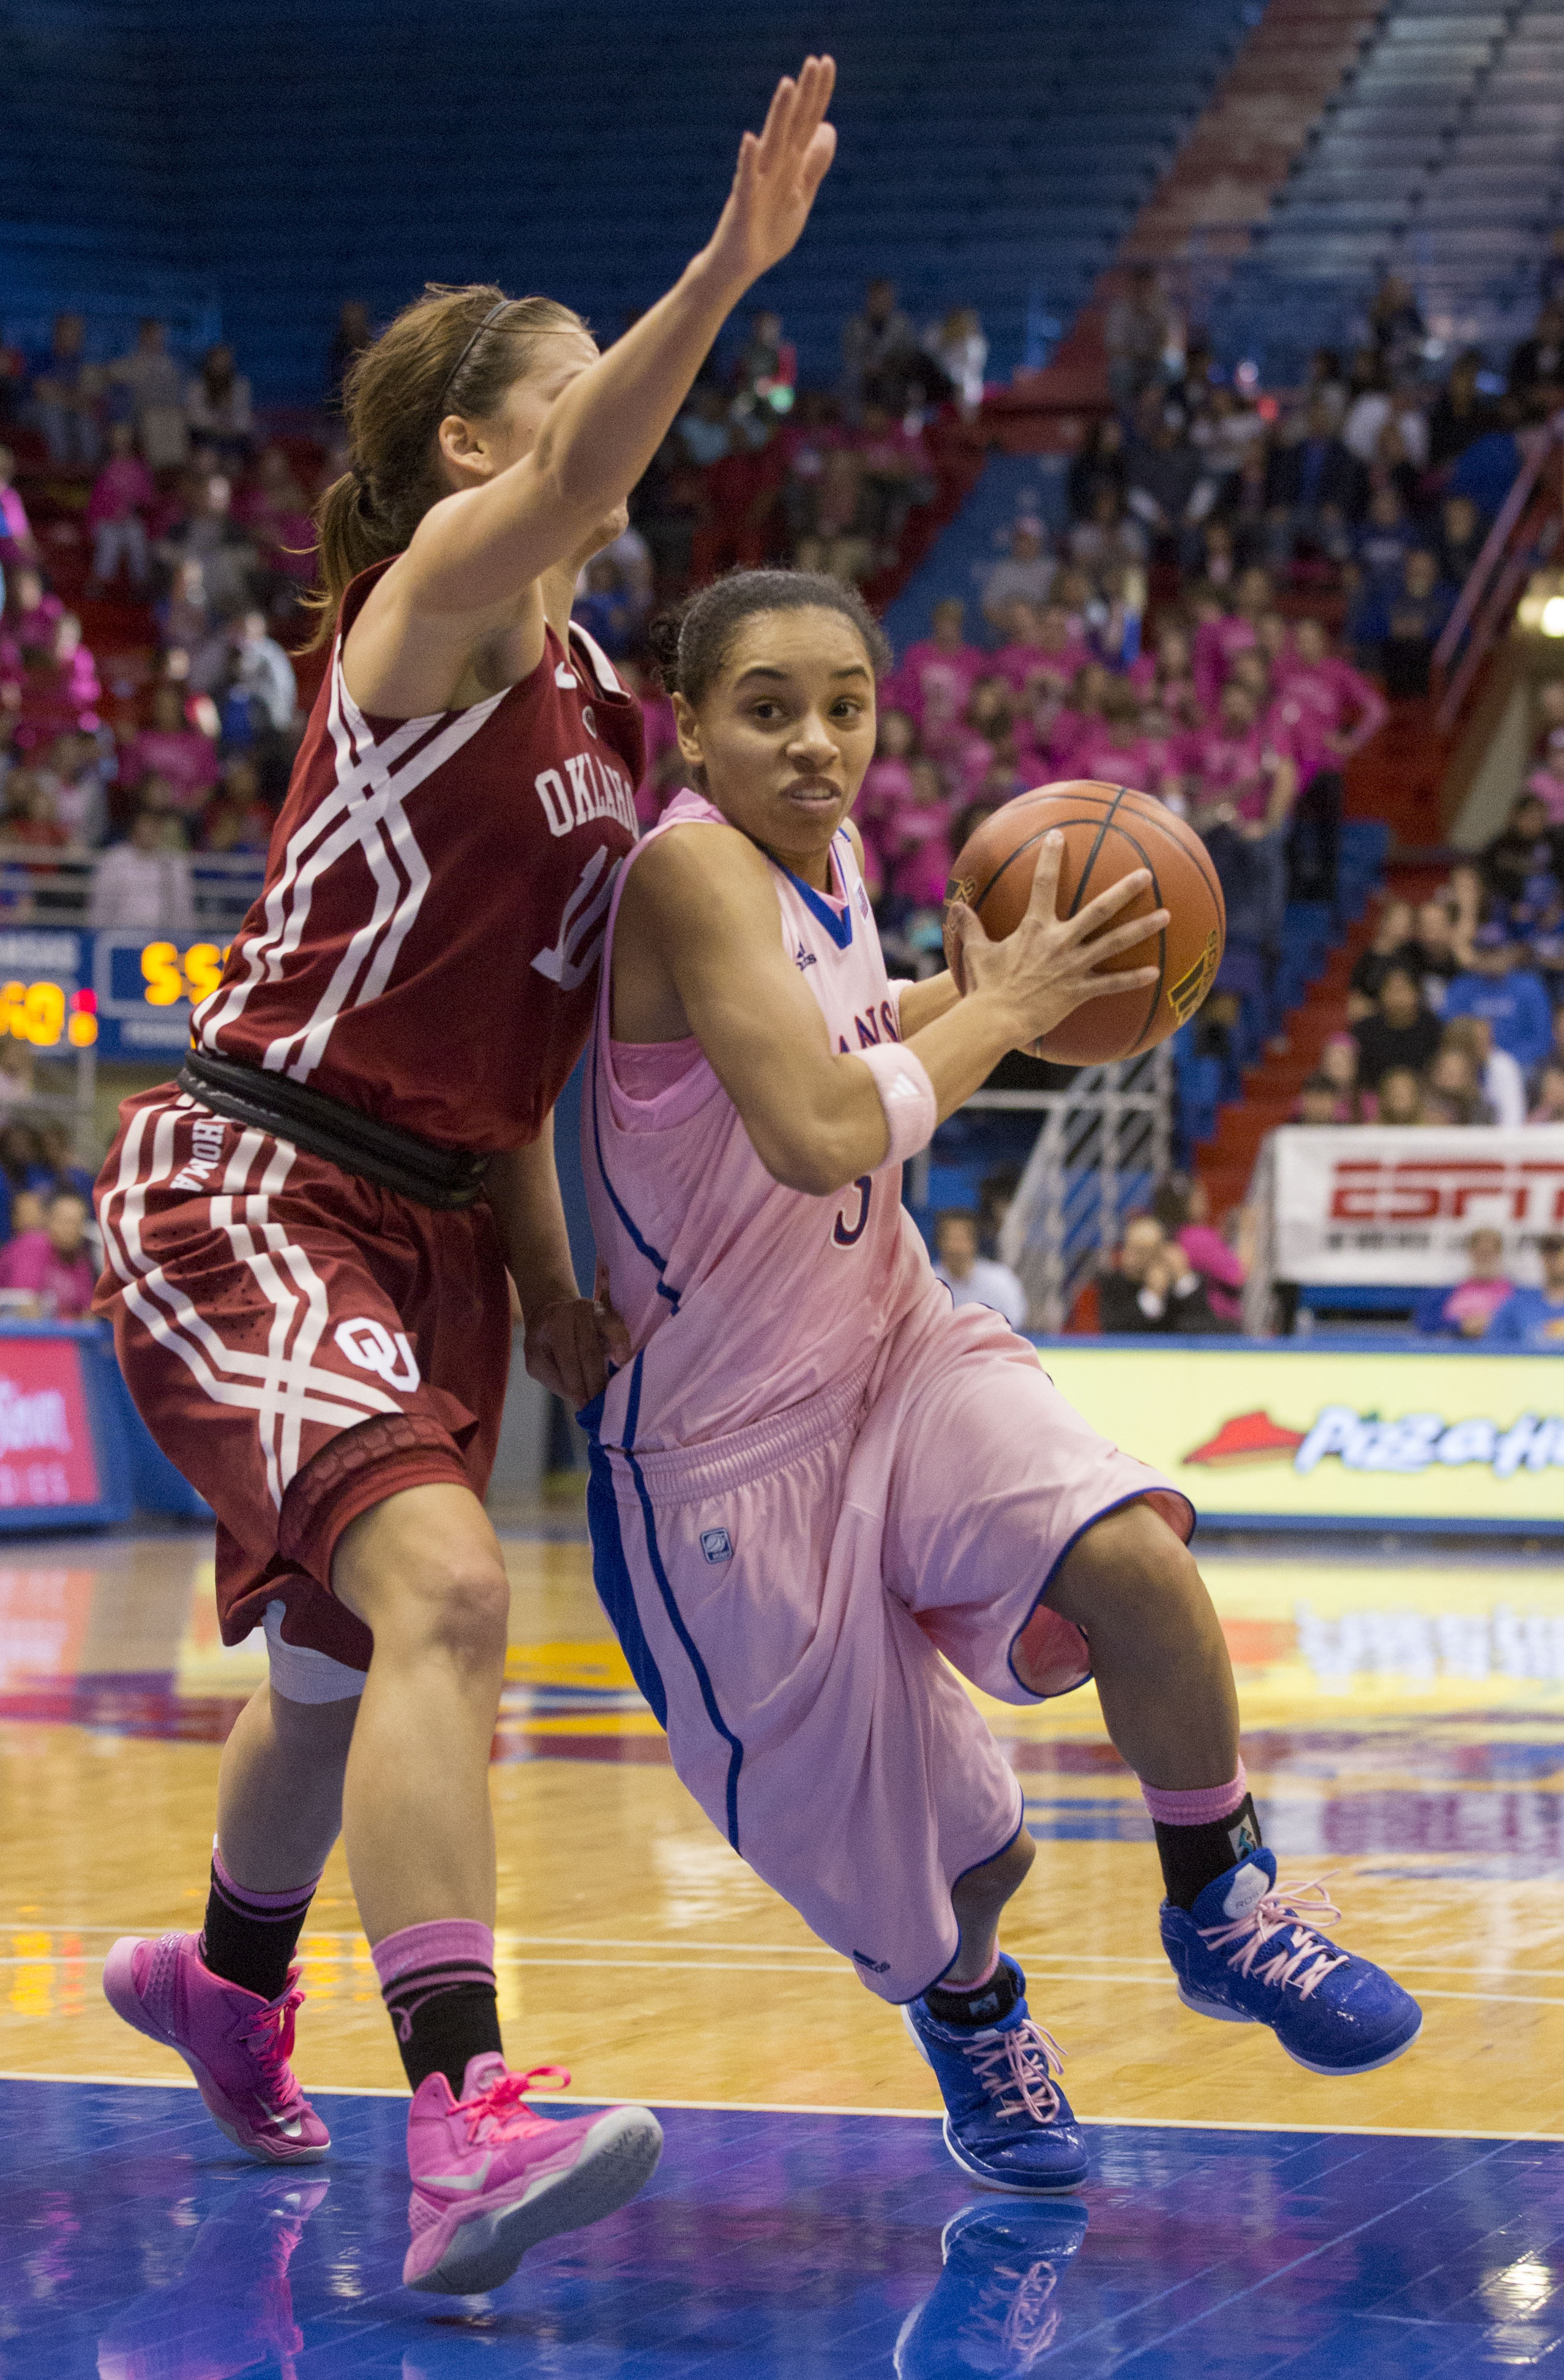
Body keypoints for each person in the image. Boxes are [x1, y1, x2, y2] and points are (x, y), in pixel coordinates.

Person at [91, 59, 840, 2300]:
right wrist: (725, 269)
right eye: (566, 409)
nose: (601, 453)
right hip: (256, 1174)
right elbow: (612, 452)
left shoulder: (610, 716)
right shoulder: (418, 624)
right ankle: (464, 2122)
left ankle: (228, 1987)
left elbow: (517, 1057)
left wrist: (551, 1271)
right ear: (474, 455)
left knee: (334, 1673)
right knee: (441, 1603)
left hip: (441, 1223)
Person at [583, 565, 1418, 2202]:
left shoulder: (820, 863)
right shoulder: (682, 870)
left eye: (845, 706)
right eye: (768, 709)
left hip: (889, 1339)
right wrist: (1013, 1010)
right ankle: (968, 2006)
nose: (816, 744)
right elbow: (822, 1127)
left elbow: (850, 1037)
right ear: (691, 726)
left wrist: (992, 985)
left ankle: (1222, 1895)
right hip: (718, 1460)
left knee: (1134, 1555)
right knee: (971, 1865)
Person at [1443, 924, 1554, 1074]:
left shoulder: (1529, 986)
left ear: (1509, 952)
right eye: (1487, 951)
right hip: (1472, 1066)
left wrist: (1502, 1062)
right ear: (1478, 954)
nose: (1493, 957)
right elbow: (1451, 1033)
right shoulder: (1463, 987)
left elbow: (1542, 1040)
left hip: (1520, 1066)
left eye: (1498, 951)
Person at [1099, 1214, 1227, 1334]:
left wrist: (1183, 1278)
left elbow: (1208, 1329)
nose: (1129, 1258)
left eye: (1141, 1251)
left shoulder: (1179, 1287)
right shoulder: (1113, 1283)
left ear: (1161, 1253)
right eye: (1127, 1248)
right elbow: (1114, 1330)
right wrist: (1152, 1294)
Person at [0, 1188, 96, 1318]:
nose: (71, 1229)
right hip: (18, 1332)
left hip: (63, 1334)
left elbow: (88, 1315)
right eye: (66, 1221)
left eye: (78, 1222)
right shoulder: (33, 1246)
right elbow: (26, 1308)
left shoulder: (81, 1261)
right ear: (49, 1221)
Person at [932, 1208, 1027, 1330]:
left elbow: (1015, 1324)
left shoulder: (1001, 1280)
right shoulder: (927, 1282)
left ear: (974, 1242)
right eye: (950, 1238)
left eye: (961, 1239)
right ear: (940, 1242)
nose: (955, 1247)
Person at [1352, 964, 1443, 1091]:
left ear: (1417, 993)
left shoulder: (1433, 1027)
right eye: (1391, 990)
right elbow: (1360, 1080)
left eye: (1403, 989)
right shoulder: (1364, 1030)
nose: (1398, 998)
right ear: (1381, 995)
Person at [1413, 1227, 1514, 1339]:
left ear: (1499, 1254)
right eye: (1480, 1252)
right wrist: (1461, 1325)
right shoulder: (1445, 1293)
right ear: (1471, 1252)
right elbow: (1424, 1324)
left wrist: (1494, 1324)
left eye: (1490, 1252)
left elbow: (1524, 1327)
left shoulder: (1514, 1294)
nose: (1485, 1258)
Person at [1487, 1234, 1564, 1350]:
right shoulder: (1515, 1305)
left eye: (1559, 1253)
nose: (1553, 1259)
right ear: (1542, 1258)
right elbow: (1493, 1348)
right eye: (1548, 1253)